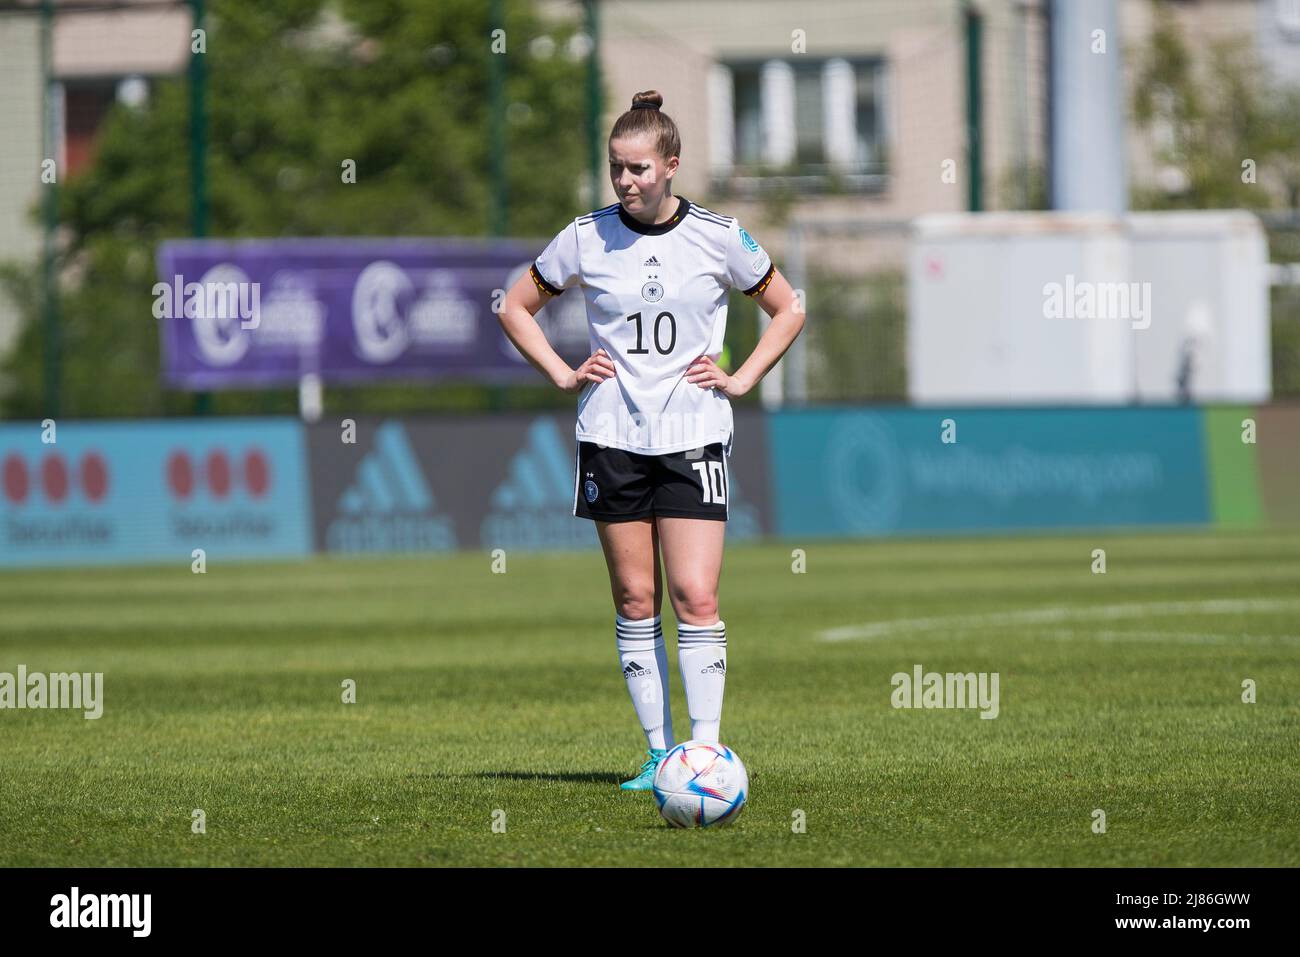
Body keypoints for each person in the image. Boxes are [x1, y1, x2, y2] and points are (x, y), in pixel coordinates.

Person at [499, 90, 804, 791]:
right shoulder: (584, 236)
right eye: (616, 169)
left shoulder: (719, 235)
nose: (626, 181)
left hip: (693, 432)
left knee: (696, 593)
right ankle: (657, 754)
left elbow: (789, 306)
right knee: (637, 597)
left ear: (671, 164)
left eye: (638, 168)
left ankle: (705, 753)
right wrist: (560, 371)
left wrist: (744, 376)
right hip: (611, 431)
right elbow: (515, 305)